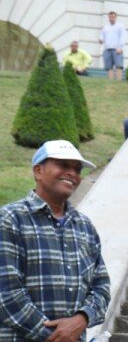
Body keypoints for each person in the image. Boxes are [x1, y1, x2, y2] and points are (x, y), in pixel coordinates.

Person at [0, 141, 110, 340]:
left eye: (77, 169)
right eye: (63, 165)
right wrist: (58, 336)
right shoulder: (10, 219)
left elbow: (101, 287)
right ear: (38, 171)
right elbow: (6, 295)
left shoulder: (85, 227)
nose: (72, 174)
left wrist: (83, 318)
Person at [99, 11, 126, 81]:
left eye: (113, 17)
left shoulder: (120, 26)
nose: (112, 18)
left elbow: (123, 37)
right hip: (107, 49)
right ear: (108, 17)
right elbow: (101, 38)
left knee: (118, 66)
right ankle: (111, 81)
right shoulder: (105, 27)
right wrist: (101, 40)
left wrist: (120, 47)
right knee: (109, 67)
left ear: (116, 17)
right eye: (110, 17)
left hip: (117, 48)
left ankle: (119, 81)